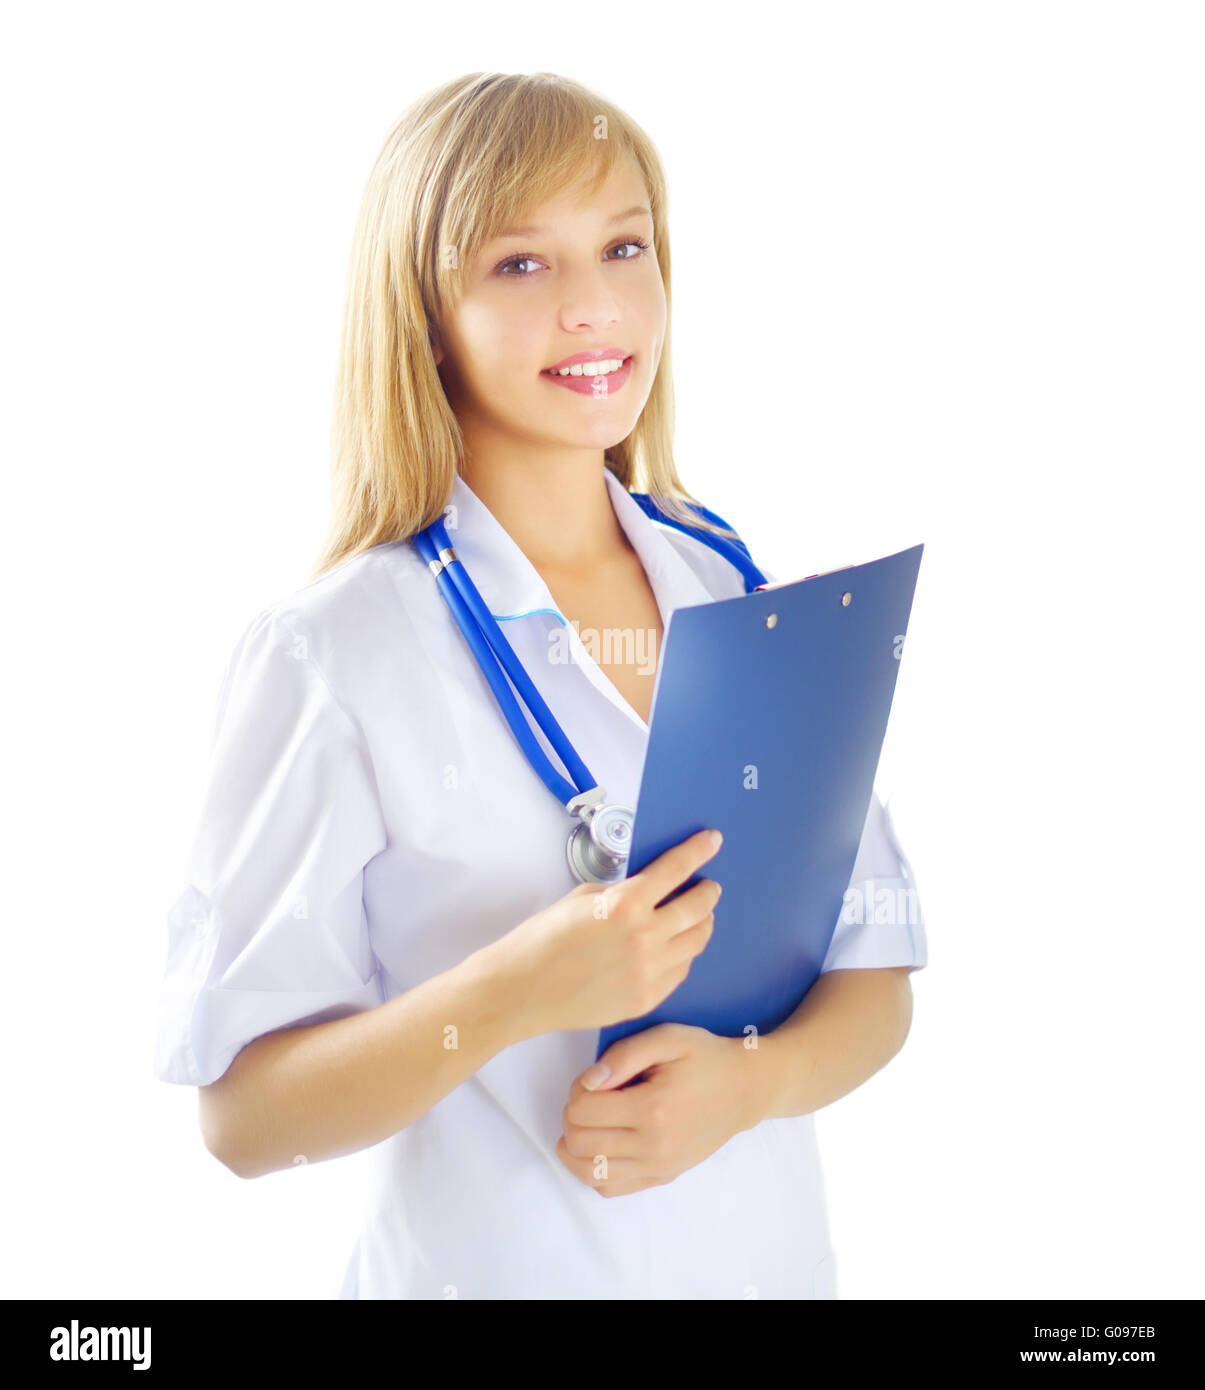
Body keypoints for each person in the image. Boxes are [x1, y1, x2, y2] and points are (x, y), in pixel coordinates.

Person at [152, 71, 927, 1300]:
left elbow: (875, 965)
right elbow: (244, 1120)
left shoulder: (737, 593)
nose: (592, 307)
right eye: (522, 264)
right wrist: (510, 993)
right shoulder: (333, 653)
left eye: (623, 246)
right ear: (425, 312)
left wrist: (749, 1086)